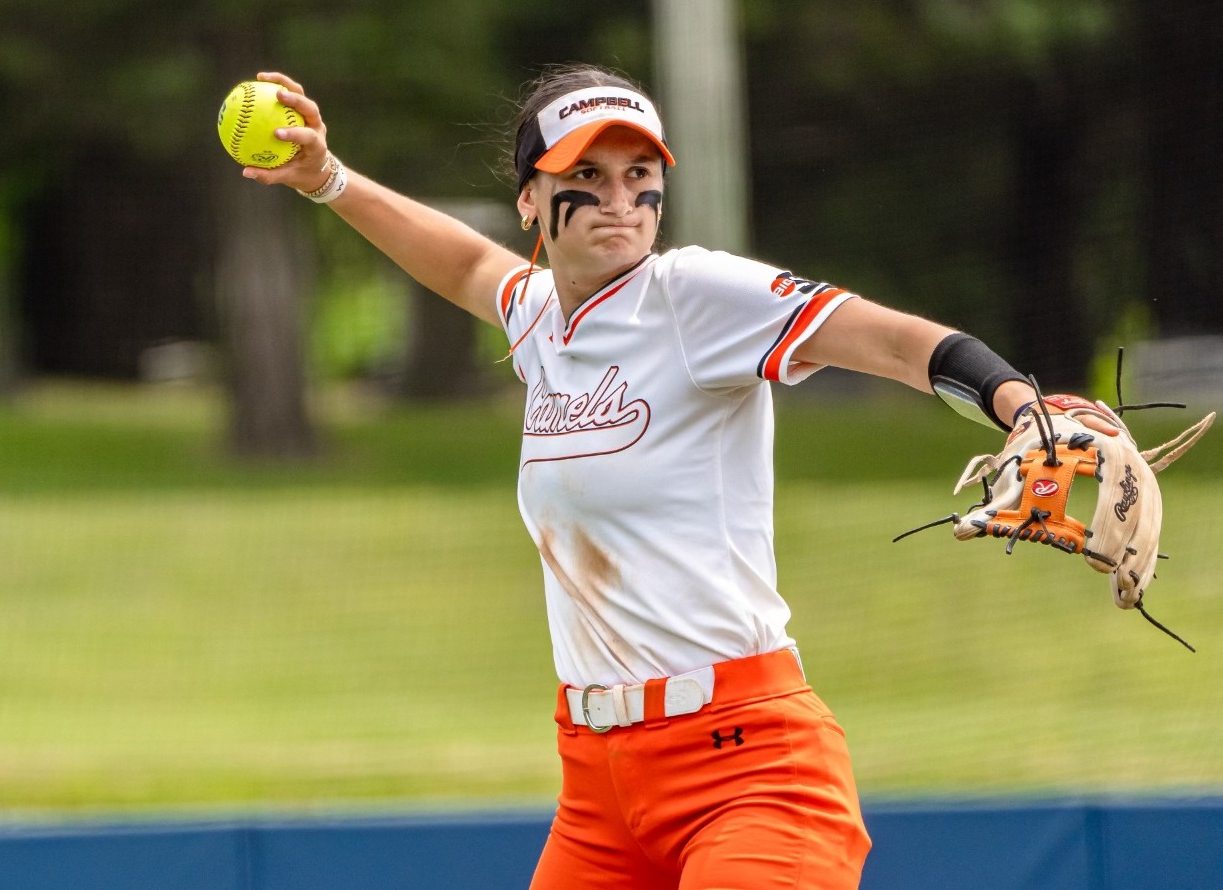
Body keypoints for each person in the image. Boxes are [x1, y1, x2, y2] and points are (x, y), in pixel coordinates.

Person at [239, 64, 1057, 890]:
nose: (619, 198)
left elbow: (893, 343)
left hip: (749, 771)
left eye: (640, 175)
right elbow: (461, 268)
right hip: (597, 787)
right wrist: (327, 180)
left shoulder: (694, 296)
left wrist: (1022, 407)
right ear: (531, 198)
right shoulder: (541, 317)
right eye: (585, 176)